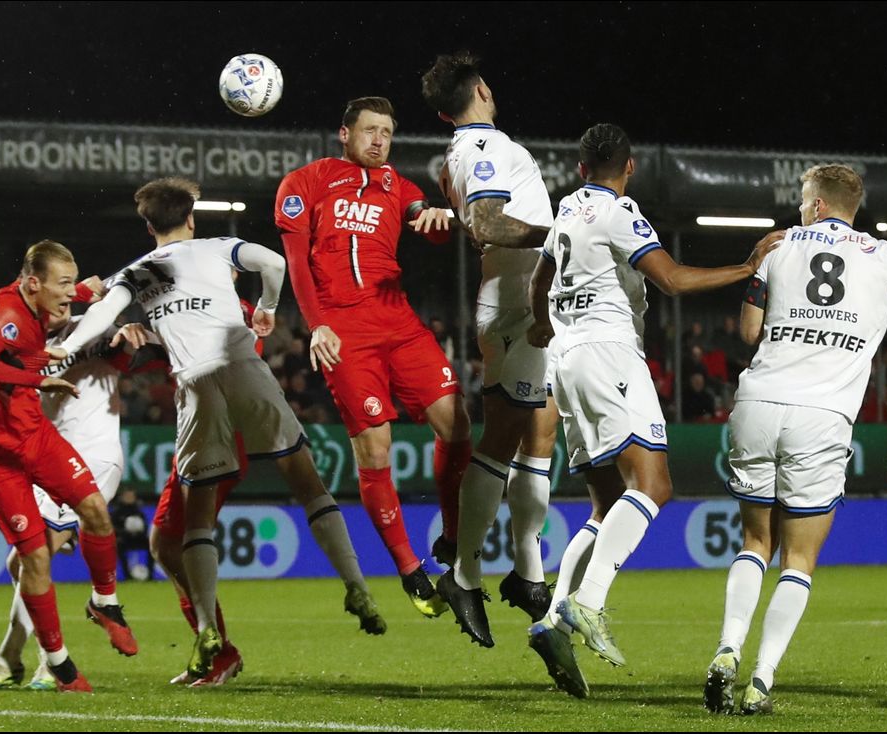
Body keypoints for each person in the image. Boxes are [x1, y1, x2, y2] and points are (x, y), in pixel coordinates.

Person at [54, 177, 384, 681]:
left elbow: (102, 311)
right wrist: (270, 308)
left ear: (148, 226)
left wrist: (65, 347)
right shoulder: (216, 251)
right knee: (306, 482)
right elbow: (273, 263)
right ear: (192, 218)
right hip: (243, 371)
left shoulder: (140, 271)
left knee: (190, 527)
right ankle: (356, 583)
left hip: (199, 390)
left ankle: (211, 634)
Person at [524, 123, 784, 699]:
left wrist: (544, 322)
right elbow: (670, 279)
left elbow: (539, 279)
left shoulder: (568, 208)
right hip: (608, 352)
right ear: (630, 166)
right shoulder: (620, 211)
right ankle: (587, 603)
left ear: (579, 165)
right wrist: (746, 268)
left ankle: (552, 621)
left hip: (564, 362)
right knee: (656, 485)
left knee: (607, 504)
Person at [697, 163, 887, 714]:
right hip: (822, 416)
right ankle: (761, 682)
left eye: (801, 198)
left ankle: (727, 651)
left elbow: (749, 333)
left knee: (755, 544)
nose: (798, 208)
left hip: (759, 403)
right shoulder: (885, 257)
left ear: (818, 204)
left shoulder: (778, 246)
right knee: (799, 558)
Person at [274, 96, 475, 616]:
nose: (380, 140)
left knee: (457, 425)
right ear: (345, 134)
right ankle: (409, 567)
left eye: (387, 131)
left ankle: (450, 537)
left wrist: (431, 214)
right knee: (376, 448)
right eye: (370, 130)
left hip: (400, 323)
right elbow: (297, 264)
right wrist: (316, 324)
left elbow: (417, 213)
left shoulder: (398, 186)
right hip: (344, 331)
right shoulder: (305, 183)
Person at [0, 241, 135, 693]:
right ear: (34, 283)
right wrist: (36, 378)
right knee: (31, 556)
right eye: (62, 283)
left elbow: (96, 291)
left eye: (71, 281)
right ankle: (57, 665)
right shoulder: (6, 315)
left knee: (92, 509)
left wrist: (111, 286)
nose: (70, 293)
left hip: (33, 434)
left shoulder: (49, 309)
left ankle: (104, 603)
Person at [421, 52, 558, 648]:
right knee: (504, 439)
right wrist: (562, 234)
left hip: (516, 296)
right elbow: (486, 222)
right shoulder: (482, 147)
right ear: (481, 87)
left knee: (540, 431)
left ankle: (526, 573)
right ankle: (466, 572)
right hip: (517, 300)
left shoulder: (467, 150)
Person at [111, 489, 153, 581]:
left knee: (152, 547)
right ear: (122, 497)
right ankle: (127, 576)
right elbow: (112, 527)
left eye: (132, 496)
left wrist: (140, 531)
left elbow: (145, 525)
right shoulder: (117, 512)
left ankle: (150, 575)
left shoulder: (138, 511)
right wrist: (124, 532)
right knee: (119, 547)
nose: (130, 498)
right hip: (124, 539)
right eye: (127, 496)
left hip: (138, 538)